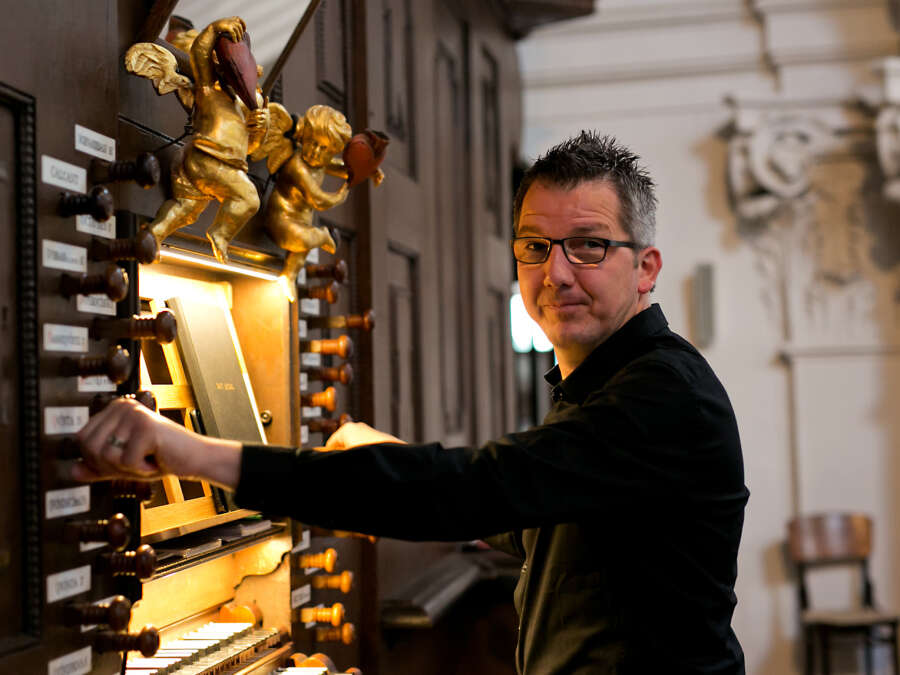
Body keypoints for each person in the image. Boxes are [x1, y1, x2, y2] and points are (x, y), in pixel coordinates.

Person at [75, 131, 749, 675]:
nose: (556, 272)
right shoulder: (605, 381)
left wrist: (191, 451)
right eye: (535, 247)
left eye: (589, 246)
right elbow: (537, 523)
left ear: (646, 267)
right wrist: (387, 454)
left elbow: (477, 490)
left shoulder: (662, 398)